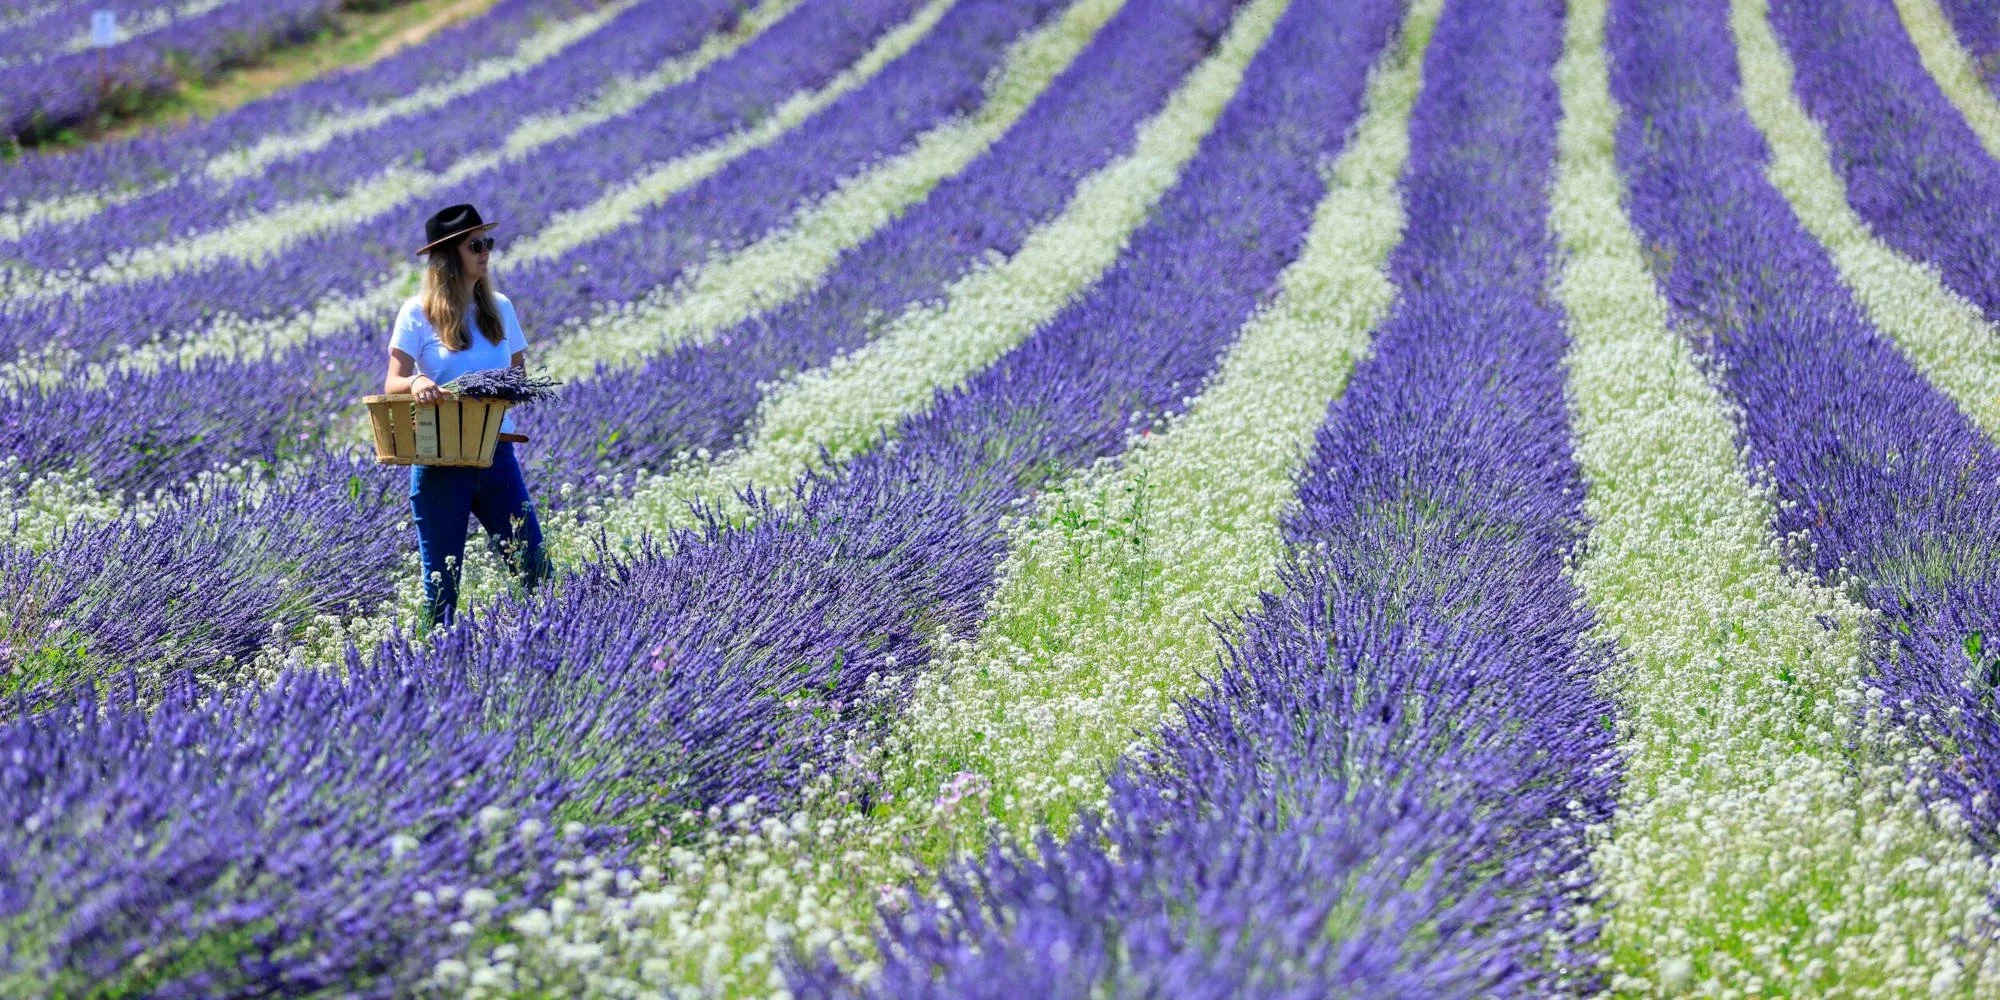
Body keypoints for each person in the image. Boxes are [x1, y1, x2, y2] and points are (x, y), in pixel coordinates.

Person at [383, 202, 550, 631]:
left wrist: (498, 391)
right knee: (441, 588)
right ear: (448, 257)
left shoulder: (501, 308)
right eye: (475, 244)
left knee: (535, 570)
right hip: (440, 463)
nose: (485, 252)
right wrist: (419, 384)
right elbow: (393, 384)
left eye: (487, 242)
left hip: (496, 456)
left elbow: (518, 378)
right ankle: (432, 665)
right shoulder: (416, 313)